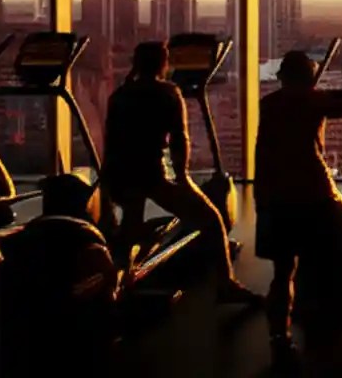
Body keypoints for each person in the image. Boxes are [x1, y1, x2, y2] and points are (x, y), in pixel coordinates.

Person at [254, 50, 342, 366]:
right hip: (310, 187)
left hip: (273, 193)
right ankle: (337, 307)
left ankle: (279, 337)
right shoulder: (312, 100)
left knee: (282, 272)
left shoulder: (269, 103)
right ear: (308, 77)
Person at [101, 41, 259, 303]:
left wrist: (106, 188)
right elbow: (179, 138)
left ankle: (118, 285)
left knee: (130, 224)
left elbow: (111, 143)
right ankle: (225, 284)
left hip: (120, 174)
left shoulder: (119, 95)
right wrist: (183, 177)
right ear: (163, 64)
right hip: (151, 175)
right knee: (212, 219)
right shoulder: (168, 92)